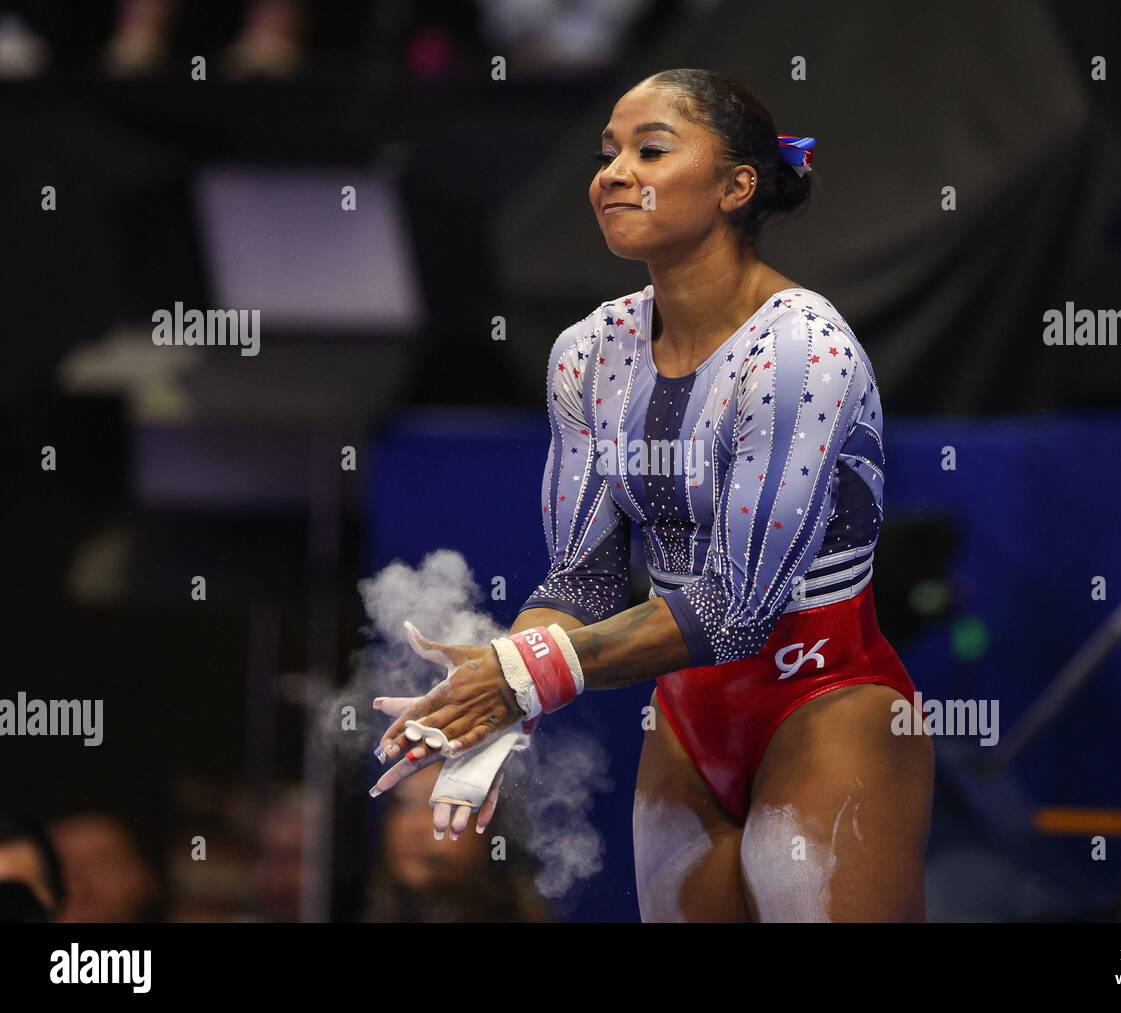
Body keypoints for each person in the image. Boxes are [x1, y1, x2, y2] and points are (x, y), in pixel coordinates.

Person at [372, 68, 933, 922]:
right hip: (685, 711)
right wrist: (497, 705)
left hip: (824, 693)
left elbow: (739, 606)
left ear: (737, 186)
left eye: (651, 149)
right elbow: (583, 581)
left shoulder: (803, 350)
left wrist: (523, 676)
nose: (612, 172)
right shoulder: (589, 353)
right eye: (607, 153)